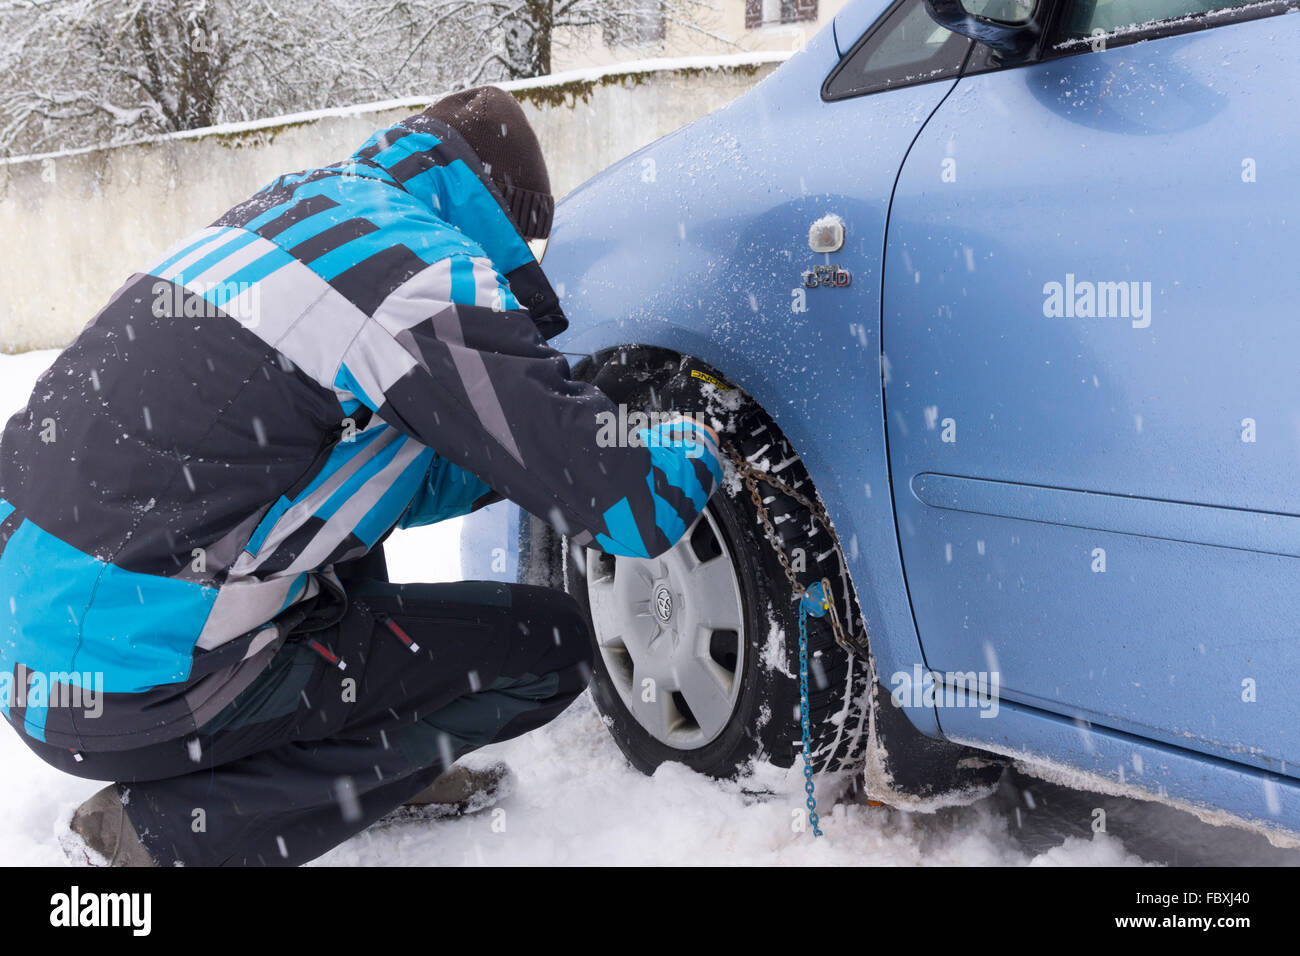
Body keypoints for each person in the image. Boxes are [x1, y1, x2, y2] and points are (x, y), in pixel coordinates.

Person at [0, 86, 723, 866]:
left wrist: (518, 461)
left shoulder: (292, 221)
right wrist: (692, 435)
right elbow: (633, 507)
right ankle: (170, 833)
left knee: (345, 547)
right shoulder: (416, 278)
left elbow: (349, 472)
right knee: (548, 650)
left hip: (35, 661)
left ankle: (353, 761)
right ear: (503, 219)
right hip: (138, 683)